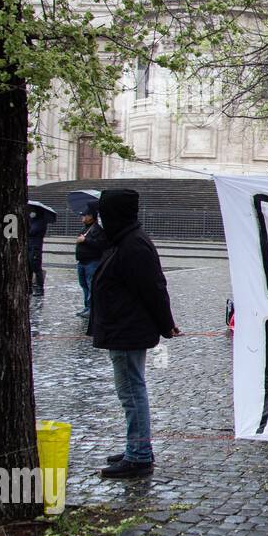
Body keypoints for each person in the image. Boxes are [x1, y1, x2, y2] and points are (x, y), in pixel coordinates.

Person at [89, 189, 181, 479]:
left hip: (127, 330)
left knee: (131, 393)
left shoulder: (134, 245)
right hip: (122, 328)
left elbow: (154, 287)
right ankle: (137, 447)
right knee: (130, 391)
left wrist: (166, 324)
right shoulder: (123, 240)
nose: (100, 219)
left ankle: (139, 455)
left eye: (104, 213)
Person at [75, 202, 107, 318]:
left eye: (84, 215)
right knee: (84, 285)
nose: (82, 218)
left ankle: (91, 308)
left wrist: (85, 241)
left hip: (91, 262)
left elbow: (101, 245)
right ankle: (87, 307)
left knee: (91, 285)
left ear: (91, 216)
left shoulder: (97, 229)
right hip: (82, 262)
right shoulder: (85, 228)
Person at [27, 205, 50, 296]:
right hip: (29, 246)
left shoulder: (41, 222)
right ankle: (29, 288)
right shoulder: (33, 220)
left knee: (36, 267)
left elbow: (32, 231)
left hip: (35, 247)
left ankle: (39, 288)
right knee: (29, 267)